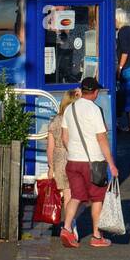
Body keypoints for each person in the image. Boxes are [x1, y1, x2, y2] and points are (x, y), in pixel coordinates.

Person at [59, 77, 119, 249]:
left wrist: (73, 151)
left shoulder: (70, 109)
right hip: (94, 162)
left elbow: (64, 137)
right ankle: (96, 236)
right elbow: (101, 138)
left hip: (73, 160)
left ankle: (67, 228)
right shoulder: (94, 110)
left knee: (76, 196)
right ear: (94, 92)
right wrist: (112, 164)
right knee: (97, 198)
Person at [46, 88, 81, 216]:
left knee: (67, 195)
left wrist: (51, 167)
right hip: (75, 158)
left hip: (60, 161)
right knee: (77, 196)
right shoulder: (77, 120)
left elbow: (50, 147)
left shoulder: (55, 121)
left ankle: (69, 225)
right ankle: (70, 224)